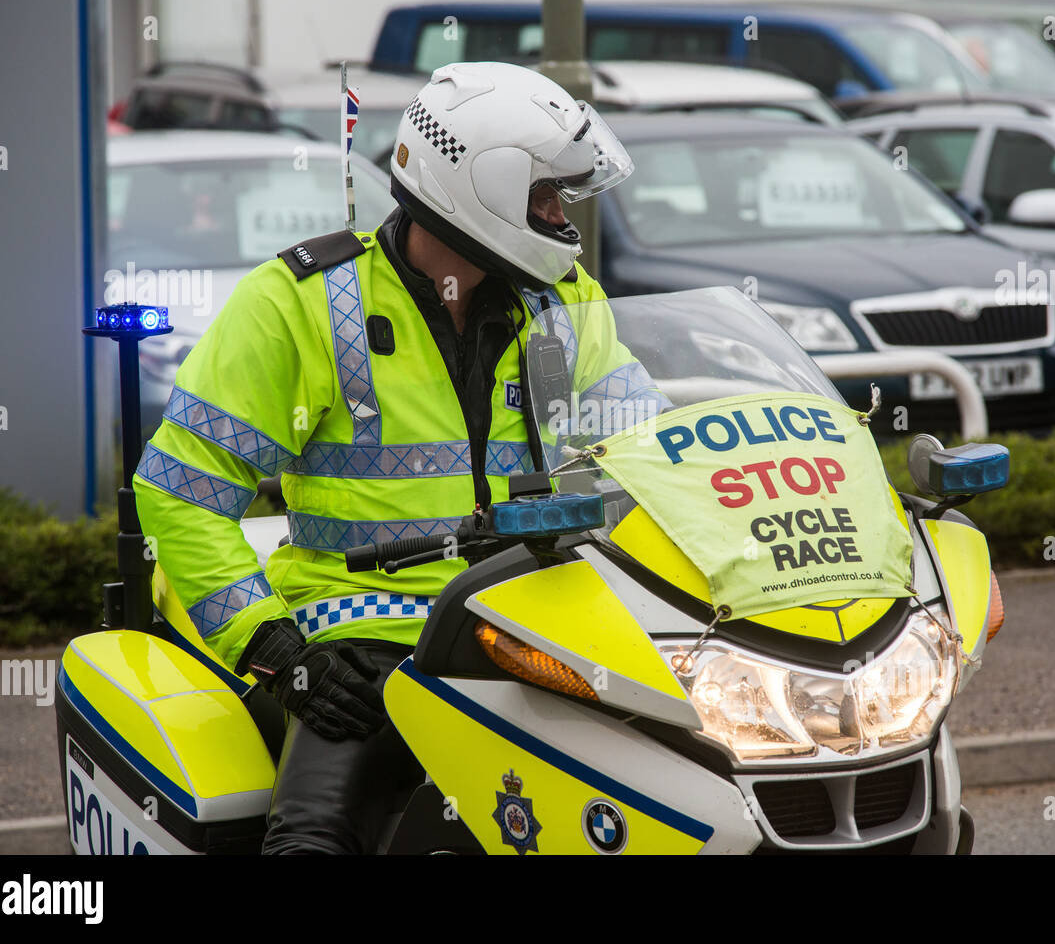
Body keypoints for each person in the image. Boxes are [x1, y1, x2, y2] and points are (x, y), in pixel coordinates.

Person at [132, 61, 659, 852]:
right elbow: (179, 494)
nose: (558, 215)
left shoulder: (567, 301)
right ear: (477, 187)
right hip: (365, 635)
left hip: (542, 621)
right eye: (542, 195)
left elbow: (647, 450)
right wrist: (278, 655)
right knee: (314, 838)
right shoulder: (299, 302)